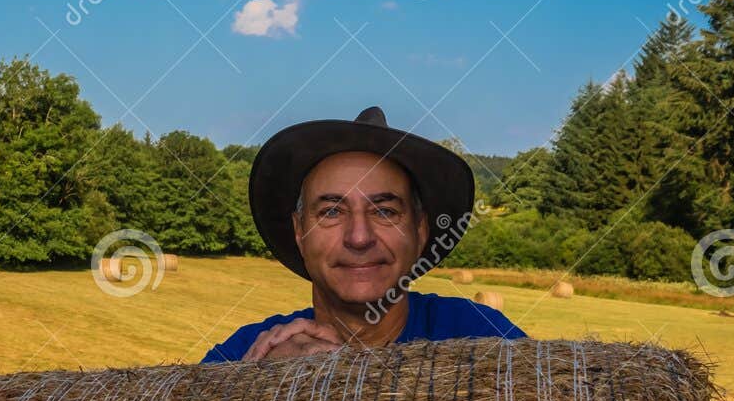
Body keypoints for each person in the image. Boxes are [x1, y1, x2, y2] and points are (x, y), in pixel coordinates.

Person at [203, 106, 526, 363]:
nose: (359, 238)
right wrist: (254, 386)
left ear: (420, 231)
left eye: (384, 211)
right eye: (331, 211)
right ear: (300, 232)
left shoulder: (488, 340)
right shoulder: (248, 355)